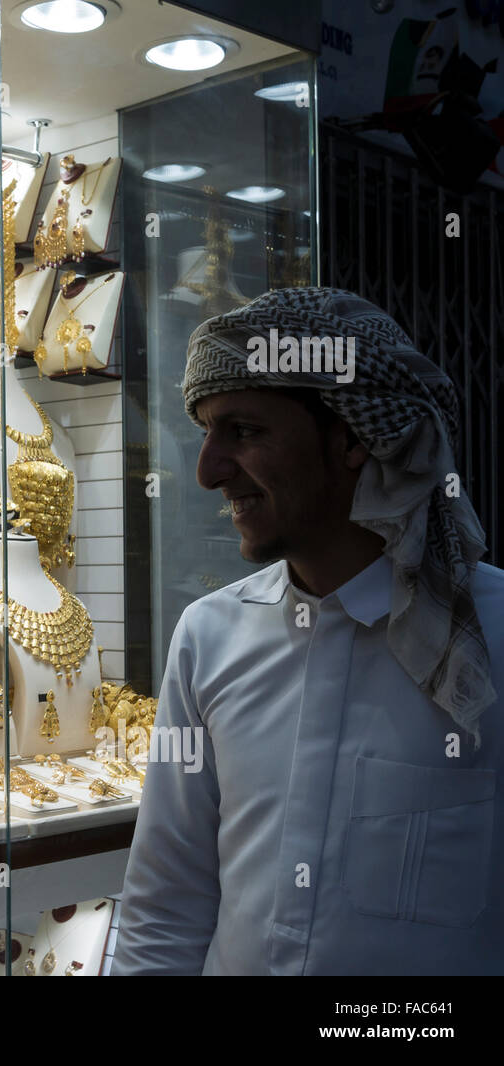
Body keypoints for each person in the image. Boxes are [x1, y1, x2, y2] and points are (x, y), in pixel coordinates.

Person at [113, 287, 504, 975]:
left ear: (352, 436)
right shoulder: (208, 637)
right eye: (206, 431)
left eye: (244, 431)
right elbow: (165, 909)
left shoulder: (489, 638)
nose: (207, 471)